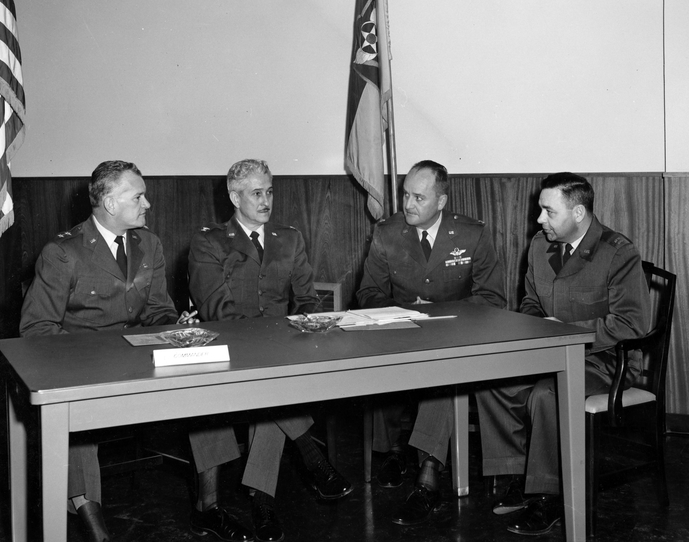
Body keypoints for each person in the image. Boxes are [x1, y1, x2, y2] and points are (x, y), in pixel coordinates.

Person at [21, 161, 252, 542]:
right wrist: (91, 357)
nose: (148, 203)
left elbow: (157, 309)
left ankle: (207, 509)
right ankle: (95, 528)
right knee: (70, 413)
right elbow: (36, 329)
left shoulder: (150, 244)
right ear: (110, 203)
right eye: (138, 196)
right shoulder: (63, 252)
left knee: (203, 387)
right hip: (85, 367)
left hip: (142, 360)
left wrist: (176, 327)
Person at [477, 172, 651, 536]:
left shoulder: (617, 253)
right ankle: (518, 476)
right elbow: (529, 303)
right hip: (549, 351)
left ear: (578, 213)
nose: (539, 220)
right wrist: (531, 332)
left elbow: (632, 324)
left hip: (605, 361)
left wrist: (570, 332)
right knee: (491, 383)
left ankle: (549, 495)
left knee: (547, 394)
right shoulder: (541, 247)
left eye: (547, 211)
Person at [188, 159, 353, 542]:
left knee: (272, 385)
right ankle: (307, 462)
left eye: (270, 191)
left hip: (281, 350)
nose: (266, 201)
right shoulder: (208, 241)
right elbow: (217, 311)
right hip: (230, 350)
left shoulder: (289, 238)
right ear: (234, 197)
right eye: (256, 193)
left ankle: (265, 504)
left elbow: (307, 299)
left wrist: (309, 324)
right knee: (273, 387)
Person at [357, 160, 506, 525]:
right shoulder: (387, 232)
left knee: (444, 376)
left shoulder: (472, 234)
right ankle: (391, 449)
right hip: (401, 334)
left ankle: (428, 474)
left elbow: (493, 299)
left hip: (457, 339)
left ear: (440, 202)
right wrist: (404, 310)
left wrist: (439, 312)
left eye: (418, 197)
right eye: (405, 195)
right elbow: (367, 293)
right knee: (378, 358)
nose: (407, 204)